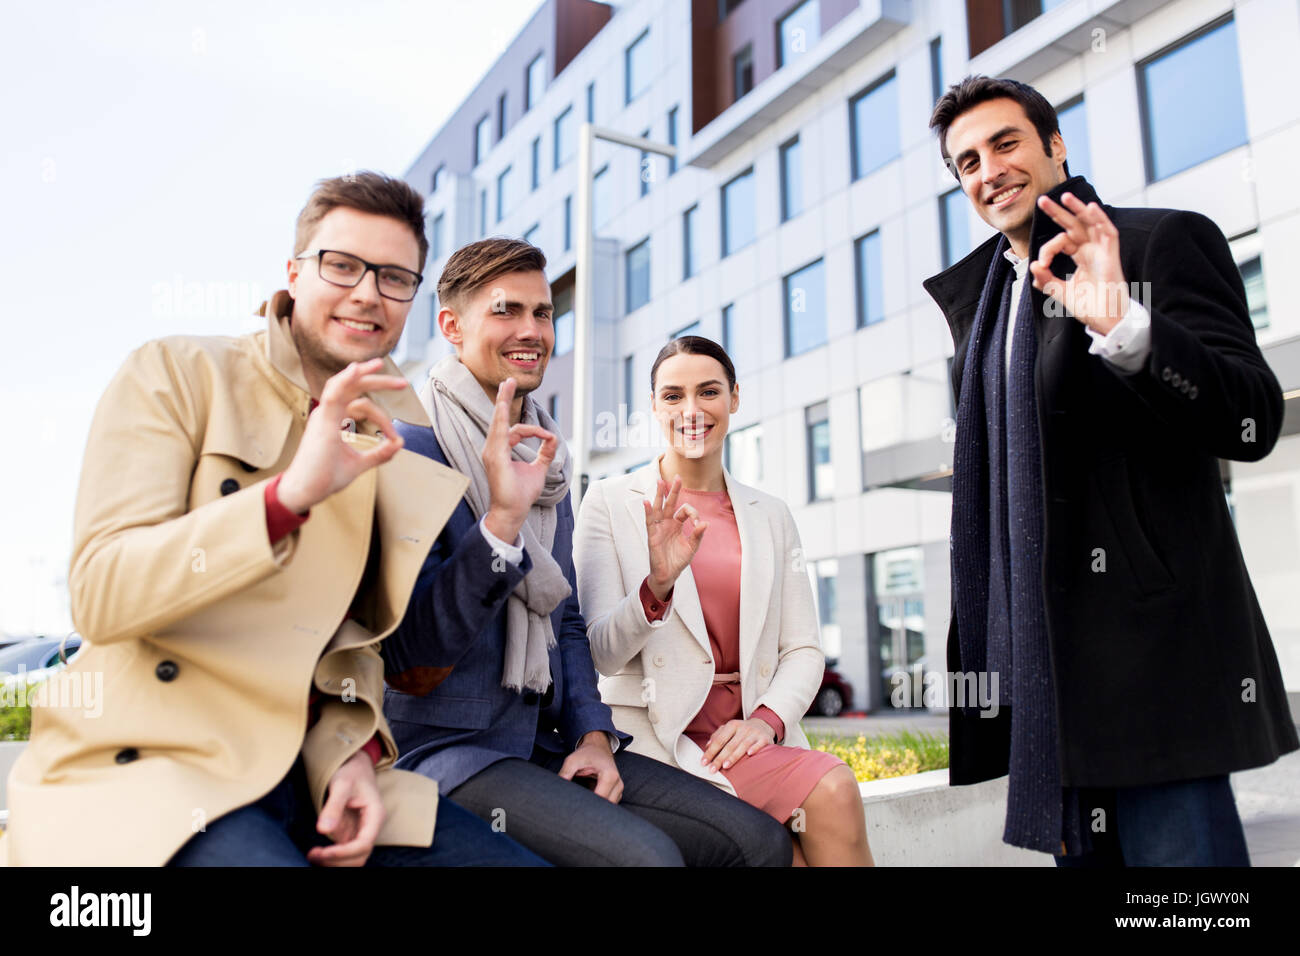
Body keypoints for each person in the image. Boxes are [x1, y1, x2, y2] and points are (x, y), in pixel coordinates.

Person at [0, 172, 545, 867]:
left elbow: (365, 652)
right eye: (343, 265)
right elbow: (103, 596)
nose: (367, 293)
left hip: (317, 779)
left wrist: (354, 752)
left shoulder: (389, 440)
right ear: (293, 272)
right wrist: (285, 499)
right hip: (161, 770)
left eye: (394, 277)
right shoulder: (178, 372)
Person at [923, 75, 1298, 865]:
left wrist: (1126, 323)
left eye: (1005, 143)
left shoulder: (1161, 242)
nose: (987, 169)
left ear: (1056, 145)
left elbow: (1252, 418)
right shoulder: (985, 307)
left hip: (1155, 667)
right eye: (966, 162)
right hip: (1045, 684)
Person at [381, 238, 792, 866]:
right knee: (646, 860)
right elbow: (408, 661)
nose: (531, 330)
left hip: (541, 743)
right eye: (506, 311)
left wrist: (594, 737)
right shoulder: (411, 450)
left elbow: (565, 622)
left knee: (757, 842)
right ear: (451, 327)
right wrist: (500, 521)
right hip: (441, 750)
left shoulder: (544, 463)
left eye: (543, 313)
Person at [574, 336, 875, 867]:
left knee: (828, 796)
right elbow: (597, 650)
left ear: (734, 398)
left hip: (749, 735)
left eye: (708, 391)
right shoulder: (608, 502)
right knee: (820, 809)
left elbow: (803, 648)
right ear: (654, 407)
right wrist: (657, 587)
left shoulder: (771, 513)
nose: (691, 410)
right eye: (673, 396)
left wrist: (765, 721)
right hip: (659, 740)